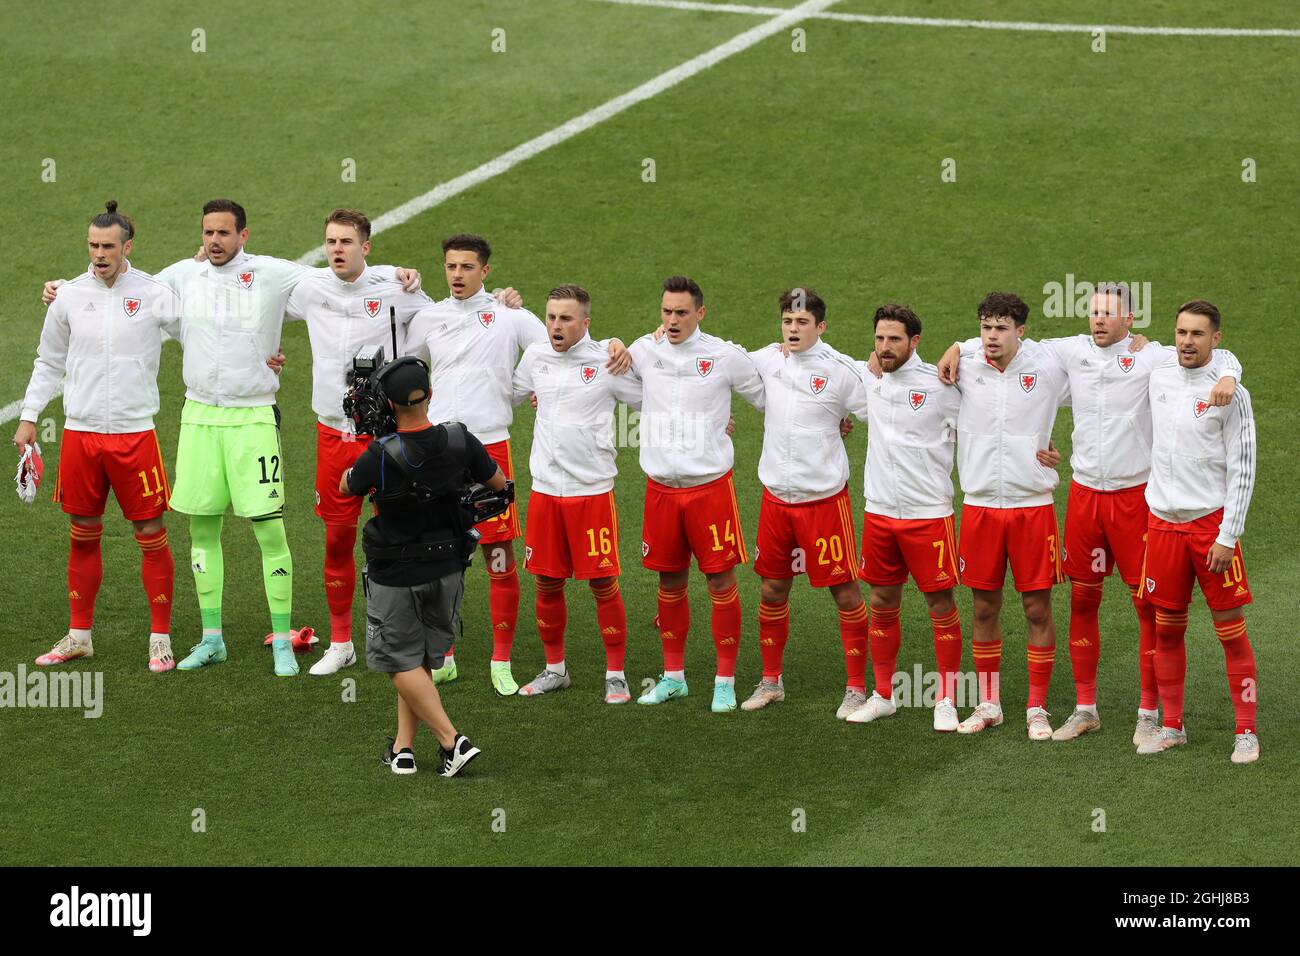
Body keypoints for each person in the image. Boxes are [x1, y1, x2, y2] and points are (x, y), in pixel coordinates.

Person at [41, 198, 423, 676]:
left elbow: (337, 272)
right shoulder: (181, 275)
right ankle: (211, 639)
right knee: (202, 530)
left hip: (253, 418)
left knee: (269, 528)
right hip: (199, 417)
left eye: (224, 233)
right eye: (208, 233)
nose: (214, 241)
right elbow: (122, 288)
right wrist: (65, 287)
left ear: (244, 235)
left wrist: (397, 271)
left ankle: (283, 641)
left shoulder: (272, 273)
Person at [938, 283, 1241, 744]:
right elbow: (1005, 338)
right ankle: (1084, 708)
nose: (1098, 321)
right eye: (1093, 312)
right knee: (1083, 599)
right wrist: (958, 345)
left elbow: (1209, 356)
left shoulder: (1151, 355)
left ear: (1130, 320)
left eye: (1108, 314)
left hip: (1137, 499)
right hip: (1083, 497)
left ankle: (1147, 711)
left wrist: (1230, 375)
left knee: (1148, 606)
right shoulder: (1067, 352)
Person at [406, 235, 629, 695]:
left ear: (484, 270)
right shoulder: (428, 317)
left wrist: (616, 343)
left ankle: (501, 661)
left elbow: (568, 343)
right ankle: (443, 657)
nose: (457, 274)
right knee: (436, 558)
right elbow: (406, 372)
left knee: (500, 557)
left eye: (467, 266)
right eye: (450, 266)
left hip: (490, 452)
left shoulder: (512, 317)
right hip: (437, 452)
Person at [16, 202, 182, 672]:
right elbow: (48, 361)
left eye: (108, 246)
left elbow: (200, 335)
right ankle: (79, 636)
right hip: (81, 436)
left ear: (127, 247)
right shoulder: (68, 296)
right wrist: (29, 417)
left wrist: (259, 359)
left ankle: (160, 639)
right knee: (82, 535)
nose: (99, 254)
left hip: (135, 435)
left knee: (150, 534)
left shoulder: (154, 293)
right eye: (93, 245)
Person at [341, 356, 500, 776]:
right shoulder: (459, 439)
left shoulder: (379, 453)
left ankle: (452, 741)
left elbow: (347, 486)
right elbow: (499, 487)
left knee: (399, 661)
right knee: (419, 659)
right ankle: (403, 750)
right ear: (429, 395)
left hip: (396, 573)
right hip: (448, 569)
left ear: (389, 406)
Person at [629, 276, 765, 712]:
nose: (671, 320)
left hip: (710, 491)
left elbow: (772, 396)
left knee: (720, 581)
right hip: (661, 491)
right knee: (669, 580)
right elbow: (598, 375)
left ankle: (724, 681)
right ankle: (673, 677)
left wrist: (831, 421)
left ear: (700, 314)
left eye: (681, 313)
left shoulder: (724, 356)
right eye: (666, 311)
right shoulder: (643, 350)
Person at [1137, 300, 1258, 763]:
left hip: (1210, 527)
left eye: (1198, 334)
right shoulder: (1161, 369)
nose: (1188, 341)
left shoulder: (1231, 393)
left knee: (1230, 629)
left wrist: (1229, 535)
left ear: (1216, 340)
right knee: (1166, 630)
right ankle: (1172, 726)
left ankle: (1245, 731)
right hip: (1162, 526)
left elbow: (1243, 468)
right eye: (1182, 333)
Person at [510, 285, 643, 703]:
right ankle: (555, 669)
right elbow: (506, 396)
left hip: (591, 492)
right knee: (547, 583)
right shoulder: (535, 357)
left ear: (585, 323)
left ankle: (616, 674)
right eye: (551, 317)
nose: (555, 326)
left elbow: (655, 402)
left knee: (603, 583)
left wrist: (714, 422)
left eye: (566, 318)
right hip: (546, 491)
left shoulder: (607, 360)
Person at [943, 292, 1068, 740]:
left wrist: (1136, 342)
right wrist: (959, 346)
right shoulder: (965, 363)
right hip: (979, 507)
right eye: (985, 327)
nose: (991, 336)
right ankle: (989, 702)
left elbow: (1102, 383)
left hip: (1032, 508)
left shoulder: (1049, 365)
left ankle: (1037, 707)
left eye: (1001, 327)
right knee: (983, 605)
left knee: (1037, 608)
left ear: (1021, 330)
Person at [743, 288, 872, 718]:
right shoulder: (767, 360)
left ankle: (856, 687)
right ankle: (770, 680)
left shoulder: (841, 370)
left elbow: (881, 408)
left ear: (821, 326)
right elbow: (714, 367)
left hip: (823, 503)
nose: (793, 329)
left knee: (844, 589)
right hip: (776, 500)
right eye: (787, 321)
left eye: (802, 323)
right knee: (772, 587)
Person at [852, 304, 965, 730]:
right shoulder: (871, 377)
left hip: (929, 514)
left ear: (915, 341)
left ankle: (947, 699)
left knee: (940, 604)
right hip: (879, 512)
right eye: (879, 338)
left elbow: (978, 427)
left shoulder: (940, 385)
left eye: (894, 339)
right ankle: (883, 694)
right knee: (882, 601)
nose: (884, 347)